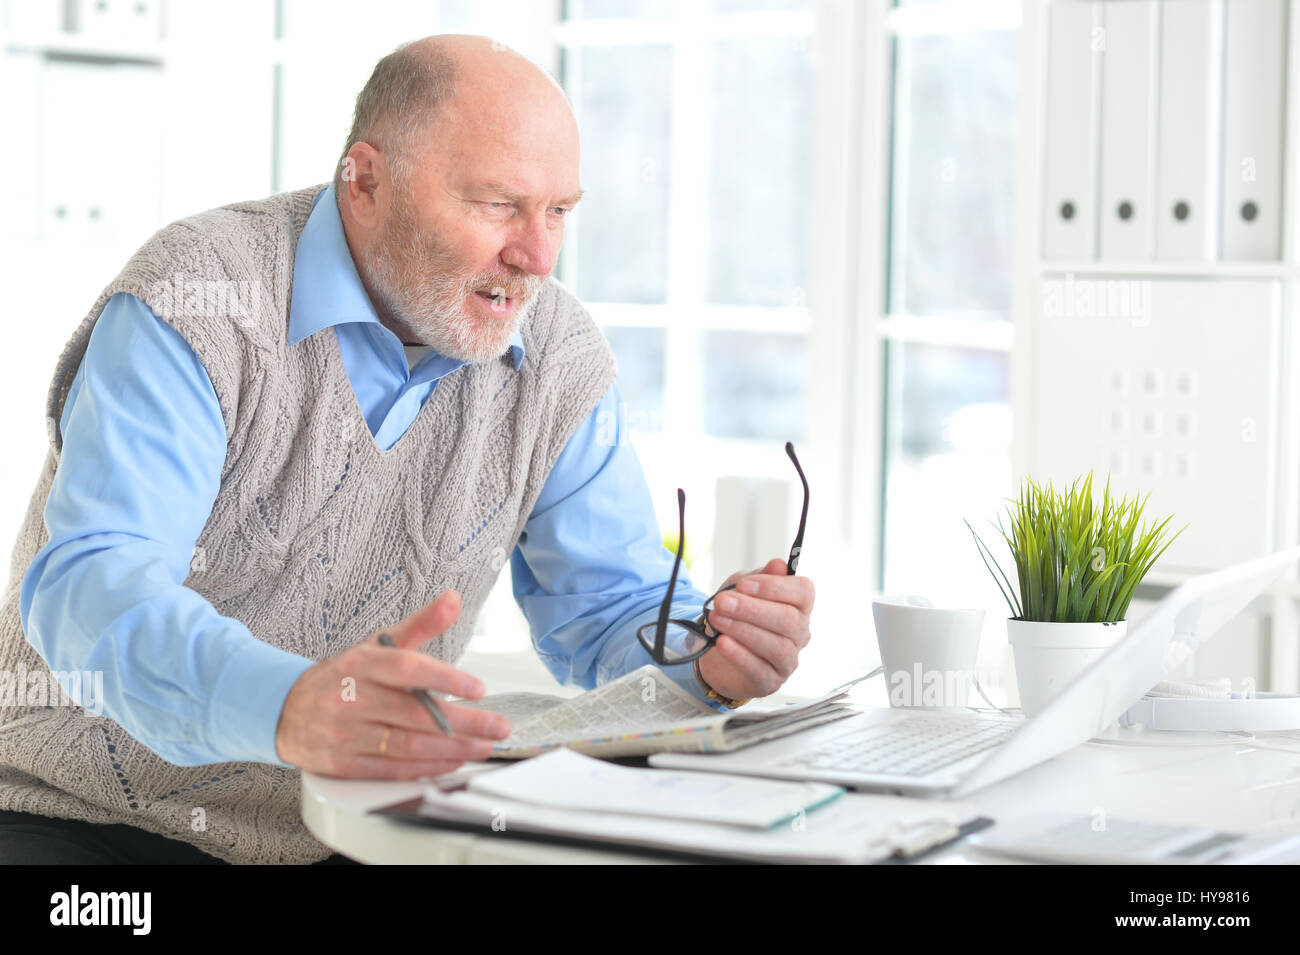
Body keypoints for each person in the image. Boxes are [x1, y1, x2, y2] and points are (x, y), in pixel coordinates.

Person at [0, 34, 815, 864]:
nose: (537, 256)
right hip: (79, 818)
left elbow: (609, 614)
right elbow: (93, 587)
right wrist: (287, 705)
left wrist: (712, 659)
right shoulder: (201, 297)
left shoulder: (559, 358)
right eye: (498, 204)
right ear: (365, 182)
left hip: (354, 831)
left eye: (559, 211)